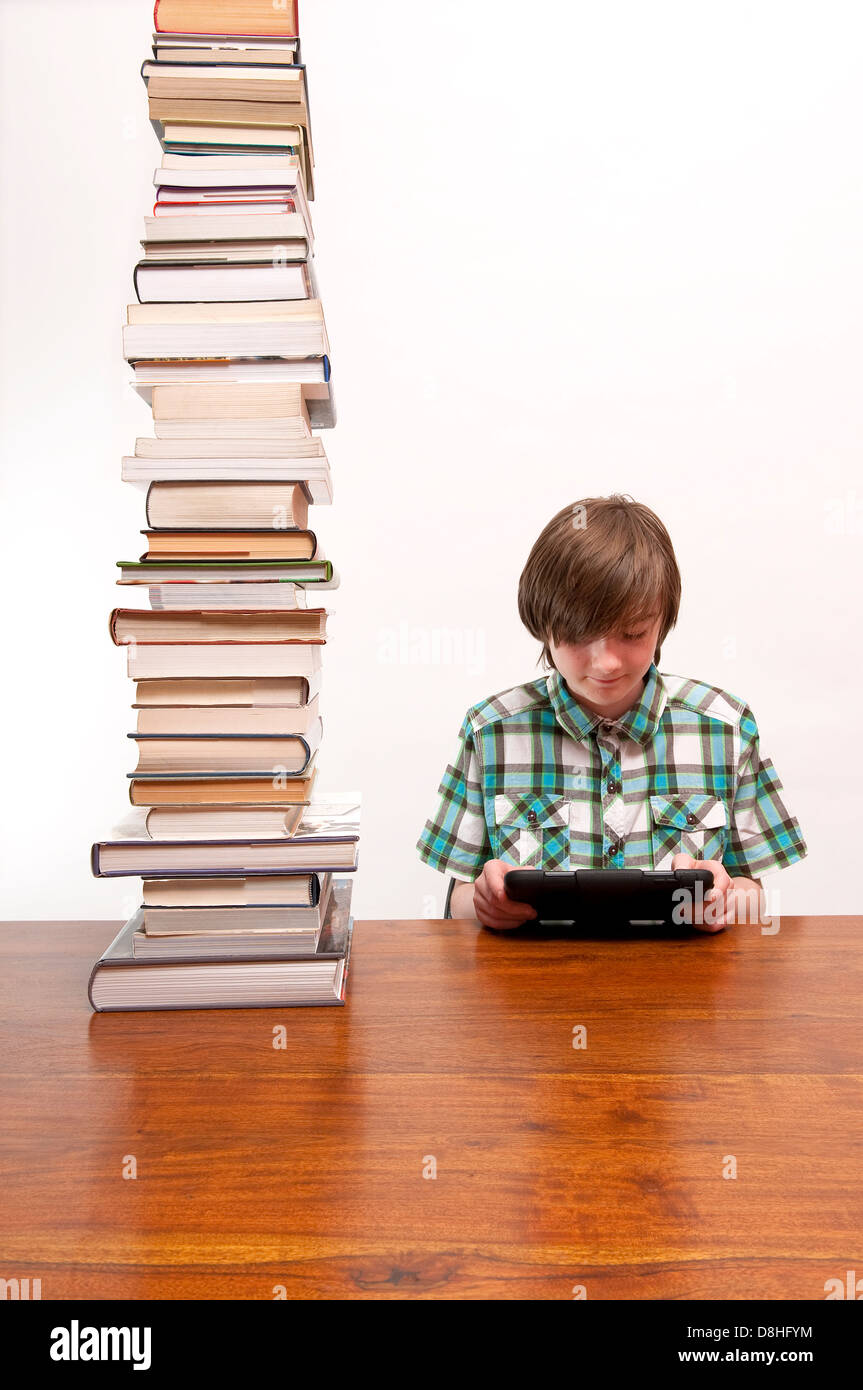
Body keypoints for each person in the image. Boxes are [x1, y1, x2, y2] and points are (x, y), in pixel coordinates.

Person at [416, 494, 807, 932]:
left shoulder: (726, 728)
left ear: (662, 623)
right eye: (581, 635)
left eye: (633, 633)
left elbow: (754, 895)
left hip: (687, 990)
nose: (607, 662)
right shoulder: (490, 731)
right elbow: (455, 901)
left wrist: (727, 901)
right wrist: (484, 903)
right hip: (532, 988)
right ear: (542, 625)